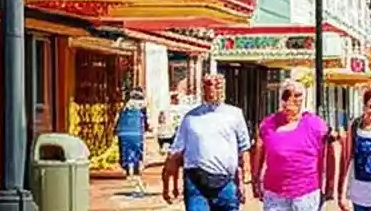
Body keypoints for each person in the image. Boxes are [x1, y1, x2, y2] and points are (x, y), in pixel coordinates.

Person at [163, 74, 252, 210]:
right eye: (209, 86)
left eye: (218, 86)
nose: (214, 90)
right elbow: (176, 152)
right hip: (196, 184)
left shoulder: (235, 115)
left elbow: (244, 149)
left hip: (226, 183)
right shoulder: (190, 118)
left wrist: (245, 181)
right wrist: (167, 185)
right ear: (203, 89)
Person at [252, 79, 333, 211]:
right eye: (287, 95)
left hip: (306, 194)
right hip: (274, 194)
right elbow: (259, 152)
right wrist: (255, 180)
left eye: (297, 95)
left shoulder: (315, 124)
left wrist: (330, 185)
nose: (292, 99)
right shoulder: (268, 124)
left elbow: (330, 153)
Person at [114, 86, 150, 196]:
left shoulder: (124, 107)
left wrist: (116, 130)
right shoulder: (142, 107)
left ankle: (129, 171)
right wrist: (146, 128)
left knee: (125, 154)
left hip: (124, 133)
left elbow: (118, 120)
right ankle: (135, 173)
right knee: (137, 154)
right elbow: (145, 122)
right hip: (137, 134)